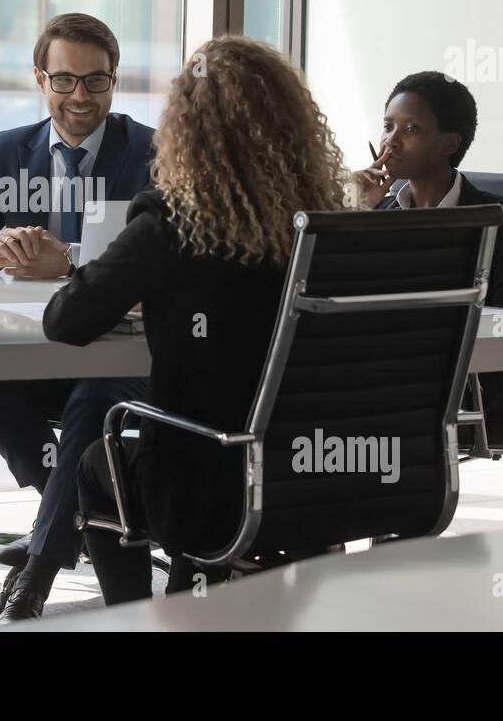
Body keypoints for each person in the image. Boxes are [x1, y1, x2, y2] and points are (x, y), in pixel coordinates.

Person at [43, 36, 349, 605]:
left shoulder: (173, 222)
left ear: (189, 131)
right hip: (323, 473)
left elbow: (66, 319)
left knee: (94, 462)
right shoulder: (331, 225)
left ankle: (134, 618)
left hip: (204, 485)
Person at [0, 13, 154, 622]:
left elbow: (169, 254)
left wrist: (71, 260)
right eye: (64, 80)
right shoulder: (11, 148)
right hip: (33, 347)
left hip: (122, 353)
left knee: (95, 396)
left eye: (95, 81)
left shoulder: (151, 151)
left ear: (115, 82)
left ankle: (39, 572)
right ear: (40, 78)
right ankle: (73, 510)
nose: (80, 96)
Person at [353, 70, 503, 450]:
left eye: (412, 129)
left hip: (472, 393)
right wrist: (355, 213)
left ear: (449, 143)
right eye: (388, 126)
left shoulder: (497, 217)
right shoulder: (377, 213)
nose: (392, 140)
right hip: (387, 380)